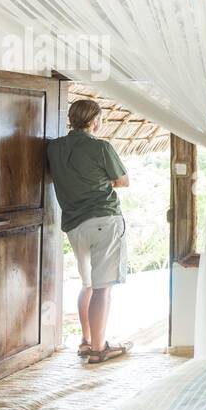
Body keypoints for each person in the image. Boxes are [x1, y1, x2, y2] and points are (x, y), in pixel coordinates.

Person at [46, 99, 132, 364]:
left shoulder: (54, 148)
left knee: (87, 284)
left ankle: (85, 341)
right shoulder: (101, 147)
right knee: (102, 288)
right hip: (104, 221)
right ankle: (99, 348)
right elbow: (122, 181)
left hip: (74, 225)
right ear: (95, 120)